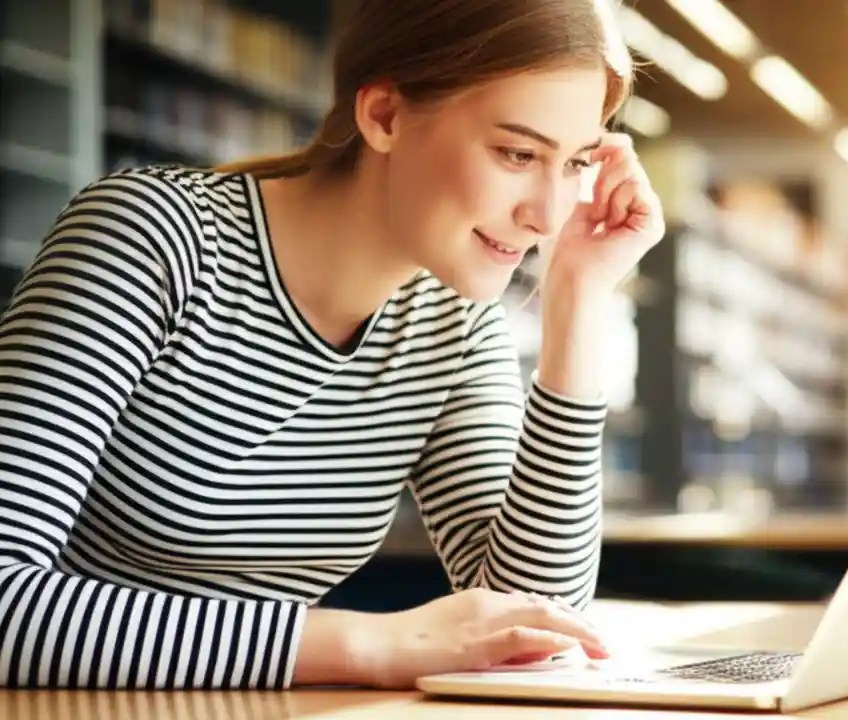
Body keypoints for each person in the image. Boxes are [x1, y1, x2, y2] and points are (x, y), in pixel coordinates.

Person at [0, 0, 662, 690]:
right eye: (518, 153)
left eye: (577, 162)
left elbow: (536, 628)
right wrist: (365, 643)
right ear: (383, 116)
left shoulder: (454, 326)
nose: (550, 213)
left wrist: (580, 299)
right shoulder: (153, 238)